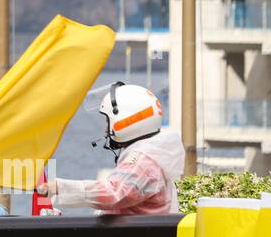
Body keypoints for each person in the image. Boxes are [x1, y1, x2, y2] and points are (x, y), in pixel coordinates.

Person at [36, 82, 185, 215]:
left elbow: (114, 194)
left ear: (127, 121)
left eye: (108, 121)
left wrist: (59, 187)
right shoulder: (151, 155)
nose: (106, 129)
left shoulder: (143, 162)